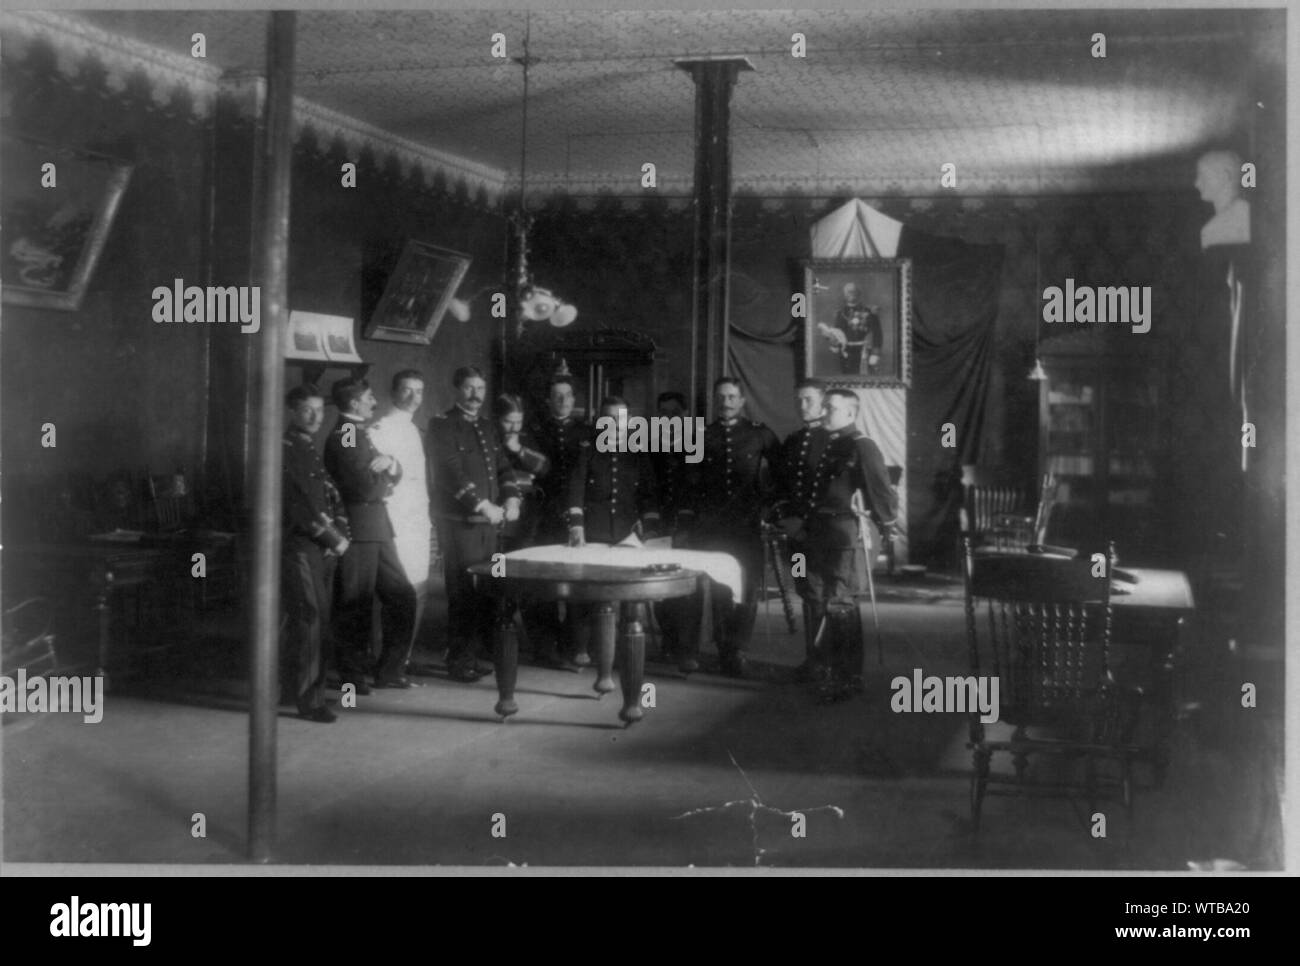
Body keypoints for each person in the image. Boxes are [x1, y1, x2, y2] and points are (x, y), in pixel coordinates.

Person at [429, 366, 522, 682]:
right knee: (462, 592)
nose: (475, 395)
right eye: (469, 388)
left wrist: (512, 498)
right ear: (456, 389)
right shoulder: (442, 426)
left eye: (480, 388)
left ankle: (476, 653)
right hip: (460, 522)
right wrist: (482, 504)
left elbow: (504, 468)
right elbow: (449, 472)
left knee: (487, 589)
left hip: (488, 526)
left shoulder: (486, 426)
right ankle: (458, 659)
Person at [324, 377, 417, 691]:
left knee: (402, 595)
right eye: (368, 396)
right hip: (359, 530)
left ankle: (388, 671)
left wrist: (391, 464)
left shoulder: (358, 432)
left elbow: (388, 473)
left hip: (377, 527)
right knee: (354, 606)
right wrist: (387, 481)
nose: (373, 401)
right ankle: (351, 676)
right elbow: (362, 485)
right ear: (353, 403)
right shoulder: (348, 431)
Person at [804, 388, 898, 701]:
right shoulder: (822, 442)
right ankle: (826, 669)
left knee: (840, 602)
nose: (823, 412)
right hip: (816, 531)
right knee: (818, 598)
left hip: (845, 532)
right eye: (825, 406)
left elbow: (882, 492)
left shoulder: (862, 445)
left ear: (850, 413)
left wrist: (884, 525)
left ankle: (847, 677)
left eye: (830, 408)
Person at [687, 378, 780, 677]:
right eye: (721, 397)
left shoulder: (760, 435)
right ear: (715, 401)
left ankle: (738, 649)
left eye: (731, 397)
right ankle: (723, 646)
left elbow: (782, 476)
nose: (726, 402)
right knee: (719, 588)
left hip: (746, 524)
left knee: (747, 587)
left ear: (741, 401)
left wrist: (767, 508)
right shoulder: (700, 435)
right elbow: (690, 479)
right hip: (711, 526)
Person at [281, 384, 349, 722]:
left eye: (320, 411)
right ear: (292, 411)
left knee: (307, 619)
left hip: (316, 547)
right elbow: (298, 505)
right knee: (311, 618)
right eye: (308, 410)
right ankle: (310, 700)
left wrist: (337, 535)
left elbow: (326, 494)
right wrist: (333, 539)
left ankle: (292, 690)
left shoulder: (307, 447)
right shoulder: (286, 448)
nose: (315, 417)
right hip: (299, 544)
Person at [367, 370, 433, 661]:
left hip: (418, 519)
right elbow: (374, 472)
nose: (413, 397)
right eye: (406, 390)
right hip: (395, 519)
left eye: (418, 391)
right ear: (393, 392)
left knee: (418, 587)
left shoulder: (417, 430)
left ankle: (401, 659)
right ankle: (384, 657)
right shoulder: (380, 428)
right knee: (396, 591)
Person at [525, 375, 590, 666]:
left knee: (577, 584)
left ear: (574, 400)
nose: (563, 400)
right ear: (548, 401)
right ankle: (544, 647)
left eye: (567, 395)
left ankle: (573, 645)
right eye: (557, 395)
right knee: (544, 585)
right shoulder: (535, 431)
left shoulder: (586, 432)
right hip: (544, 515)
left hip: (578, 515)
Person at [772, 378, 831, 680]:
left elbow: (830, 493)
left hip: (819, 534)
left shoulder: (832, 441)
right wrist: (785, 518)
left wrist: (804, 523)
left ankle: (825, 662)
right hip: (795, 536)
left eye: (808, 400)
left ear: (823, 402)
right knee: (804, 590)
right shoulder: (793, 441)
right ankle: (813, 659)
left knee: (820, 593)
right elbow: (781, 486)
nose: (802, 405)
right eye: (798, 400)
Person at [567, 396, 659, 546]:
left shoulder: (638, 452)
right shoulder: (587, 450)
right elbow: (576, 489)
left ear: (629, 420)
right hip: (592, 534)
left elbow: (649, 494)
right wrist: (576, 525)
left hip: (629, 534)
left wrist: (651, 528)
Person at [493, 392, 550, 552]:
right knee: (499, 564)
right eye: (508, 422)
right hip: (499, 509)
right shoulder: (490, 438)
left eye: (518, 422)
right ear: (497, 418)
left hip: (527, 514)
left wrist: (517, 449)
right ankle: (499, 577)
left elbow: (544, 468)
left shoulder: (527, 438)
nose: (514, 428)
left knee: (520, 559)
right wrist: (525, 474)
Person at [829, 282, 884, 375]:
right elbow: (836, 333)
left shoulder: (870, 312)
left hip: (864, 352)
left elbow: (877, 333)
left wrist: (875, 353)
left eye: (854, 291)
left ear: (859, 293)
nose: (851, 294)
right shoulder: (840, 313)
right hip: (845, 352)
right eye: (848, 292)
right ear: (844, 294)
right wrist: (834, 343)